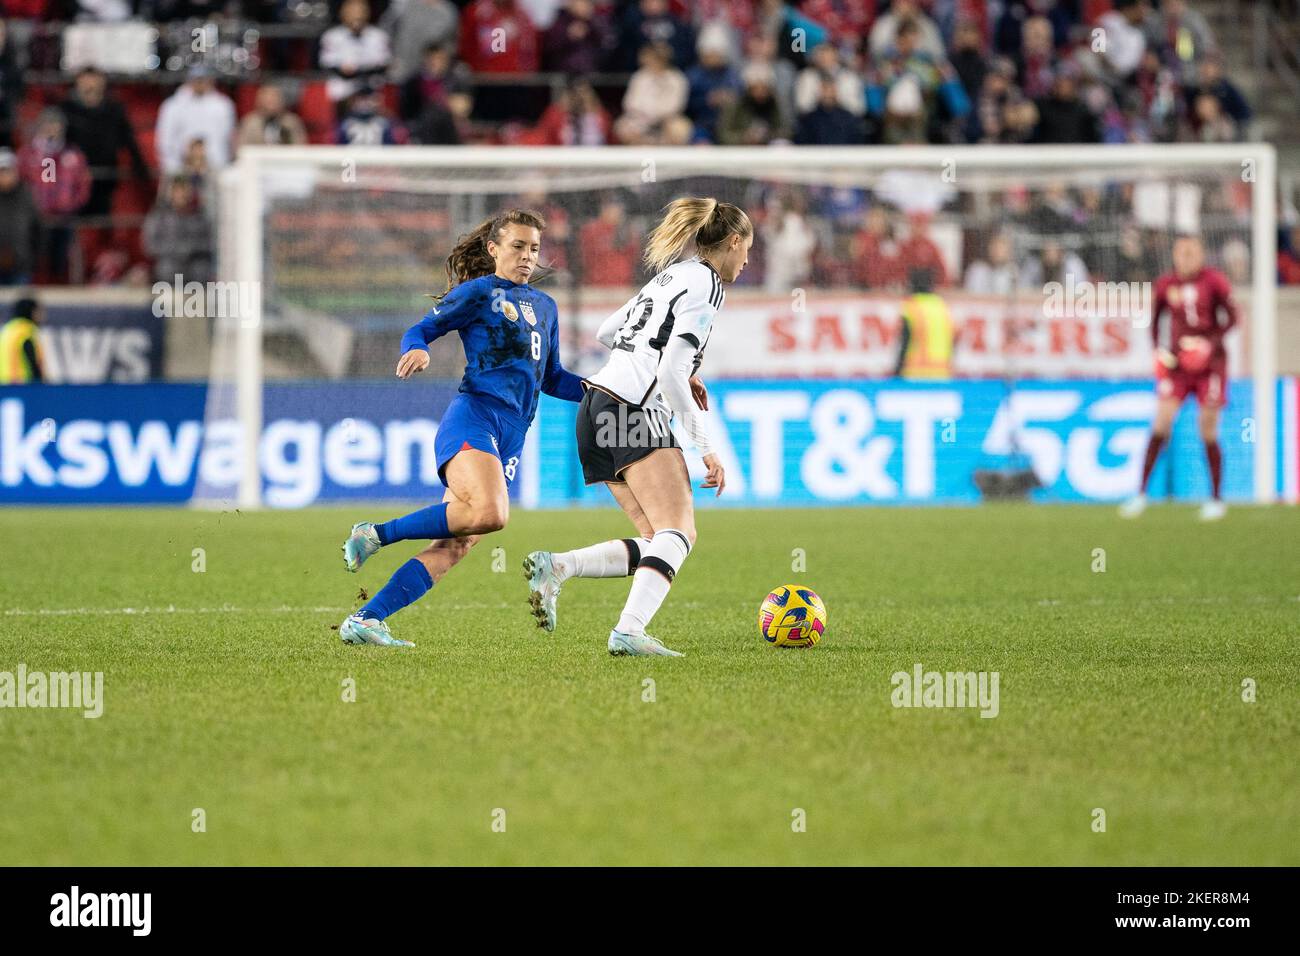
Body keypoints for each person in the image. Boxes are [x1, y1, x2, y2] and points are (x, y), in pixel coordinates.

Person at [338, 209, 586, 647]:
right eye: (517, 246)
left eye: (533, 248)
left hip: (514, 431)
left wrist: (603, 392)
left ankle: (367, 619)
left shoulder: (546, 307)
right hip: (476, 415)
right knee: (493, 513)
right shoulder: (478, 293)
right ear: (493, 249)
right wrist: (419, 350)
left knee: (458, 543)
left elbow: (552, 378)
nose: (527, 256)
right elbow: (422, 328)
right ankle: (375, 533)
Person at [523, 197, 752, 657]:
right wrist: (704, 447)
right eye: (746, 249)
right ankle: (628, 631)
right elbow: (668, 373)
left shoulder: (672, 275)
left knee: (655, 540)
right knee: (679, 532)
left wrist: (671, 367)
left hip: (596, 405)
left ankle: (559, 567)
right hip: (633, 408)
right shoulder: (708, 285)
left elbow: (609, 332)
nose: (746, 261)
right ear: (731, 242)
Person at [1120, 235, 1237, 522]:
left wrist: (1209, 344)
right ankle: (1140, 494)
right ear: (1175, 256)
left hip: (1211, 365)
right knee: (1161, 421)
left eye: (1192, 253)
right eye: (1181, 253)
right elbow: (1154, 321)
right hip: (1178, 366)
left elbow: (1233, 317)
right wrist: (1158, 352)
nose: (1186, 258)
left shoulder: (1214, 282)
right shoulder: (1166, 285)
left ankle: (1216, 499)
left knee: (1207, 429)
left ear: (1201, 255)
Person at [893, 267, 953, 378]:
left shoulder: (911, 306)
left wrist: (897, 371)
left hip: (916, 373)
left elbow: (905, 341)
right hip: (942, 373)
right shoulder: (941, 305)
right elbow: (953, 339)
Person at [0, 295, 45, 384]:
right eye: (39, 311)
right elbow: (33, 364)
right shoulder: (26, 332)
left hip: (3, 387)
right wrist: (40, 387)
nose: (42, 316)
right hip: (22, 387)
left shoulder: (6, 330)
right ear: (32, 312)